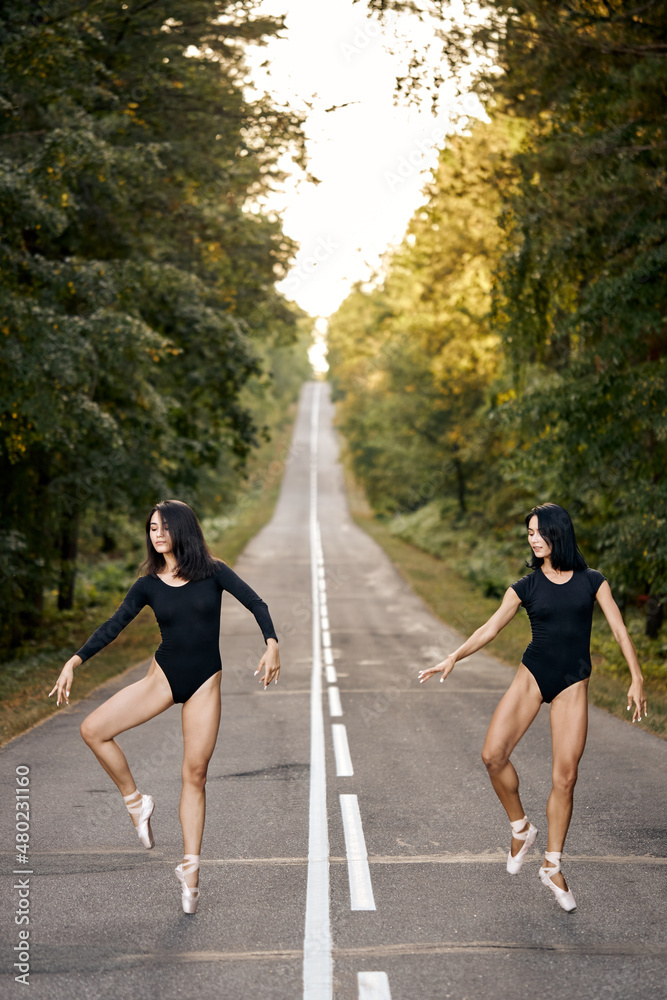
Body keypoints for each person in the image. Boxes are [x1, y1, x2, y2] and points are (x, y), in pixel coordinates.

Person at [49, 499, 280, 914]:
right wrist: (75, 660)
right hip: (163, 678)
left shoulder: (214, 571)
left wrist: (272, 643)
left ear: (182, 529)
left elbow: (257, 604)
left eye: (163, 527)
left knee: (195, 775)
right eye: (151, 528)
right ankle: (136, 802)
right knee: (93, 730)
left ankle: (190, 872)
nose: (156, 534)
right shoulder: (147, 585)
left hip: (205, 682)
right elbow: (114, 626)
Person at [418, 502, 647, 912]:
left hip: (573, 683)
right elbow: (491, 627)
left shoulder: (593, 581)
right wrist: (454, 656)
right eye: (529, 533)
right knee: (492, 755)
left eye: (540, 531)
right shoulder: (526, 586)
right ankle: (520, 828)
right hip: (533, 675)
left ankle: (552, 864)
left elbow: (618, 628)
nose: (534, 538)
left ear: (559, 532)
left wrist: (637, 677)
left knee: (565, 778)